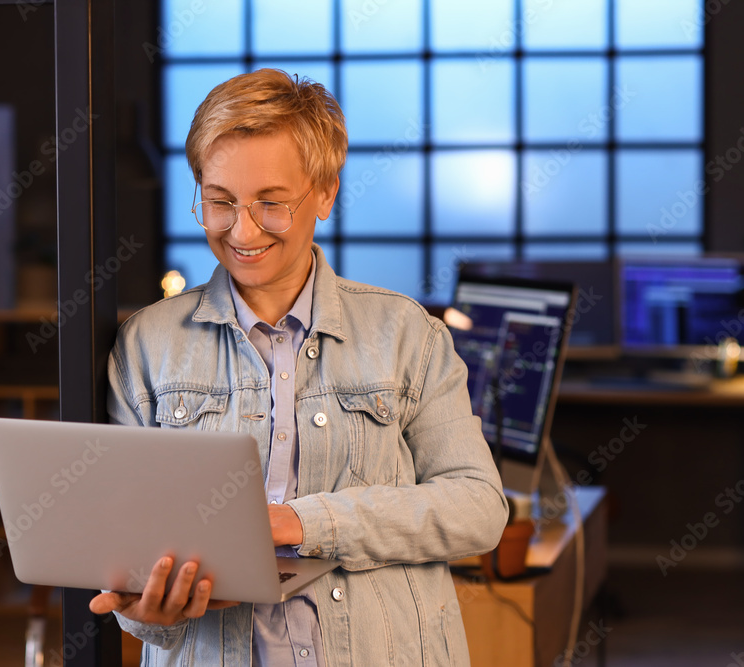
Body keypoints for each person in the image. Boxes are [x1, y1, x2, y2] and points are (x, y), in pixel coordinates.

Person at [90, 68, 508, 666]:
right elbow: (126, 547)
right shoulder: (146, 346)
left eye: (271, 204)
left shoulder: (407, 335)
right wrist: (144, 612)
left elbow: (477, 507)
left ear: (326, 193)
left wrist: (300, 523)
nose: (243, 230)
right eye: (220, 202)